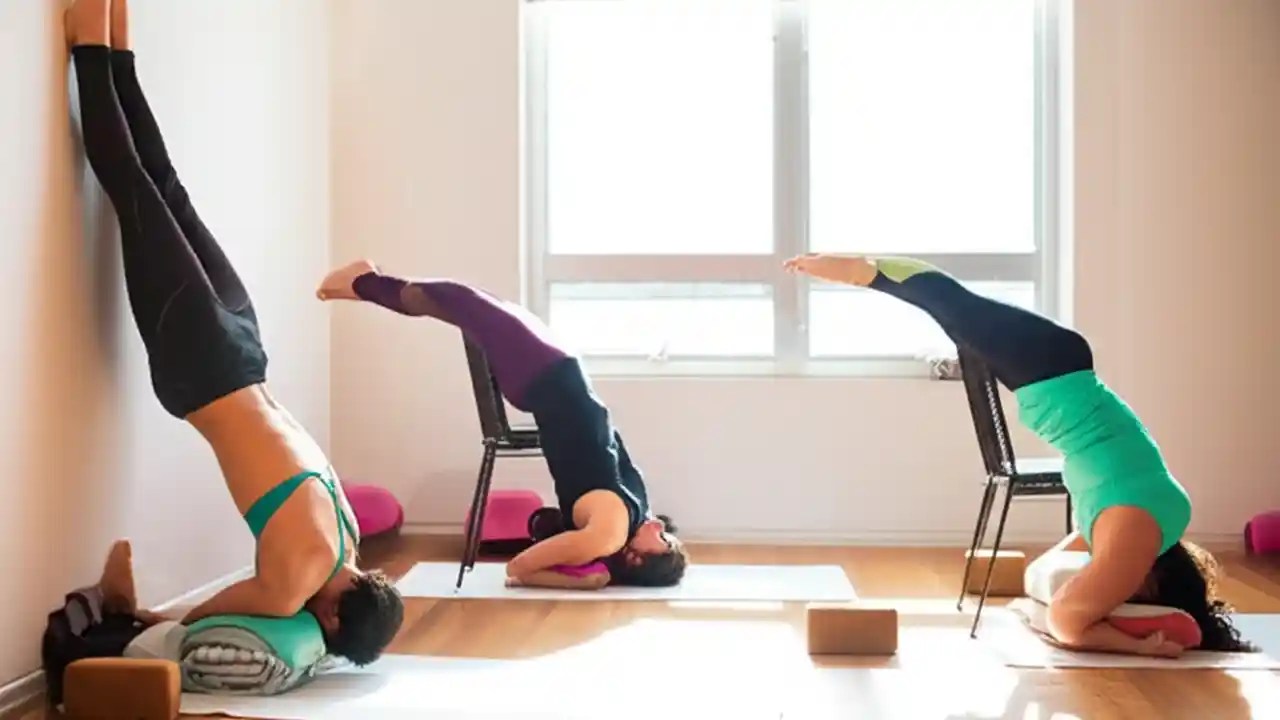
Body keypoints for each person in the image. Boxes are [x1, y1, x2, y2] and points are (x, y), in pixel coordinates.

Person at [63, 0, 403, 665]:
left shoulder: (348, 534)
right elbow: (198, 618)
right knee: (135, 191)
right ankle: (87, 45)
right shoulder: (289, 590)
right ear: (331, 620)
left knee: (164, 188)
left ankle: (115, 39)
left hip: (245, 346)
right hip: (201, 365)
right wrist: (152, 619)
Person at [784, 253, 1253, 656]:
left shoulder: (1129, 528)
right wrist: (1134, 644)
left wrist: (1064, 611)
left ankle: (860, 270)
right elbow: (1069, 620)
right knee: (942, 298)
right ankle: (856, 270)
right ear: (1150, 586)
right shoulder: (1135, 535)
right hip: (1053, 372)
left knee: (947, 304)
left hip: (1057, 373)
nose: (1111, 591)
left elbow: (1041, 576)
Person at [316, 261, 689, 588]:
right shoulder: (632, 516)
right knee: (470, 304)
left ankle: (360, 282)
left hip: (549, 381)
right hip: (561, 378)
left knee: (461, 300)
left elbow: (520, 568)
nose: (662, 529)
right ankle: (363, 281)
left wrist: (586, 579)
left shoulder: (607, 536)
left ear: (637, 560)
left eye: (665, 542)